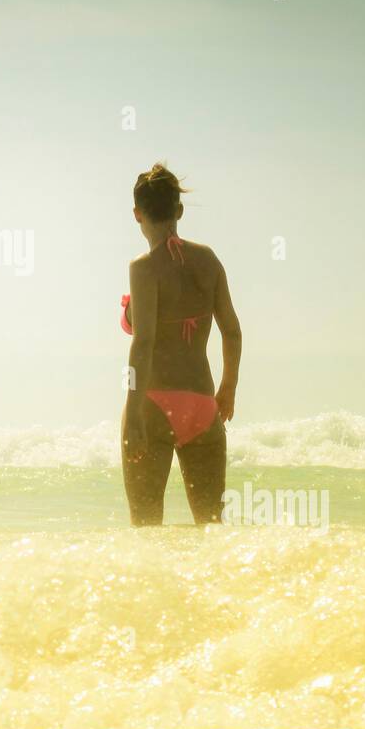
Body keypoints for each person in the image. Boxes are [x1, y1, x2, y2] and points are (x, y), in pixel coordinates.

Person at [120, 163, 241, 525]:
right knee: (211, 528)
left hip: (154, 406)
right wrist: (228, 388)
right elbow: (232, 332)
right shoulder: (208, 260)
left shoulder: (143, 268)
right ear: (179, 210)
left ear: (137, 214)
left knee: (146, 529)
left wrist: (132, 414)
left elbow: (143, 344)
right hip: (203, 407)